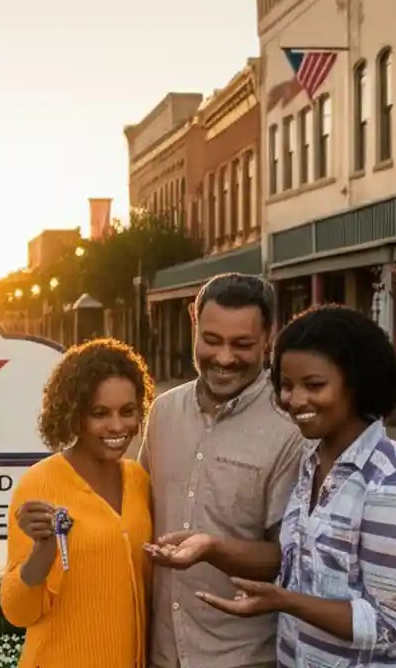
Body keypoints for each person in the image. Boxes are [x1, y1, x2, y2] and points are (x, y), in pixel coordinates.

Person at [196, 305, 396, 667]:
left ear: (357, 383)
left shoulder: (391, 484)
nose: (295, 400)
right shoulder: (311, 461)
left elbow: (390, 625)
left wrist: (285, 601)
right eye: (287, 386)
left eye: (314, 385)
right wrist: (210, 547)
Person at [138, 273, 305, 667]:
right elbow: (134, 508)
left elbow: (287, 557)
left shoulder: (291, 430)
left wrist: (213, 549)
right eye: (211, 340)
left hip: (242, 657)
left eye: (242, 344)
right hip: (160, 652)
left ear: (268, 338)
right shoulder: (163, 411)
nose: (225, 357)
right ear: (193, 323)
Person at [0, 338, 155, 668]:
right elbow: (17, 611)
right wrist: (43, 550)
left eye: (127, 412)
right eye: (99, 413)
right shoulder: (40, 483)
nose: (117, 426)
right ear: (74, 415)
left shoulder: (139, 481)